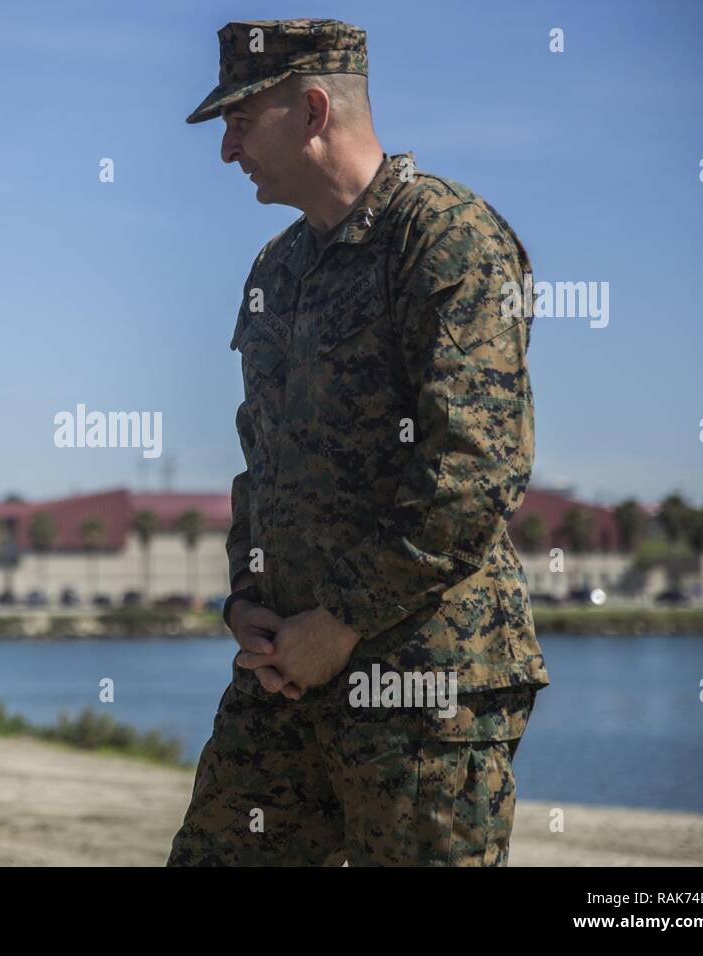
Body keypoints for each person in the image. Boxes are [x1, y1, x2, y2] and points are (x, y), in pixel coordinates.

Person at [169, 20, 549, 866]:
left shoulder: (446, 238)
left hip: (424, 680)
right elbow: (259, 462)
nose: (228, 150)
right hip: (283, 679)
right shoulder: (278, 268)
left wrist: (340, 621)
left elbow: (475, 468)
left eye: (240, 120)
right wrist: (245, 601)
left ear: (312, 109)